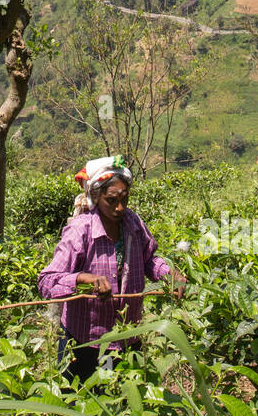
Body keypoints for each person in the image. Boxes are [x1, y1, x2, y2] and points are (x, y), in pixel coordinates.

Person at [38, 154, 185, 383]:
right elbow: (47, 282)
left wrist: (168, 274)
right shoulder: (80, 231)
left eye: (124, 199)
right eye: (111, 200)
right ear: (96, 197)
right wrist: (84, 279)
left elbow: (149, 260)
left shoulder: (133, 224)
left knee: (120, 401)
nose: (119, 207)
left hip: (127, 338)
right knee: (80, 402)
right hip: (85, 342)